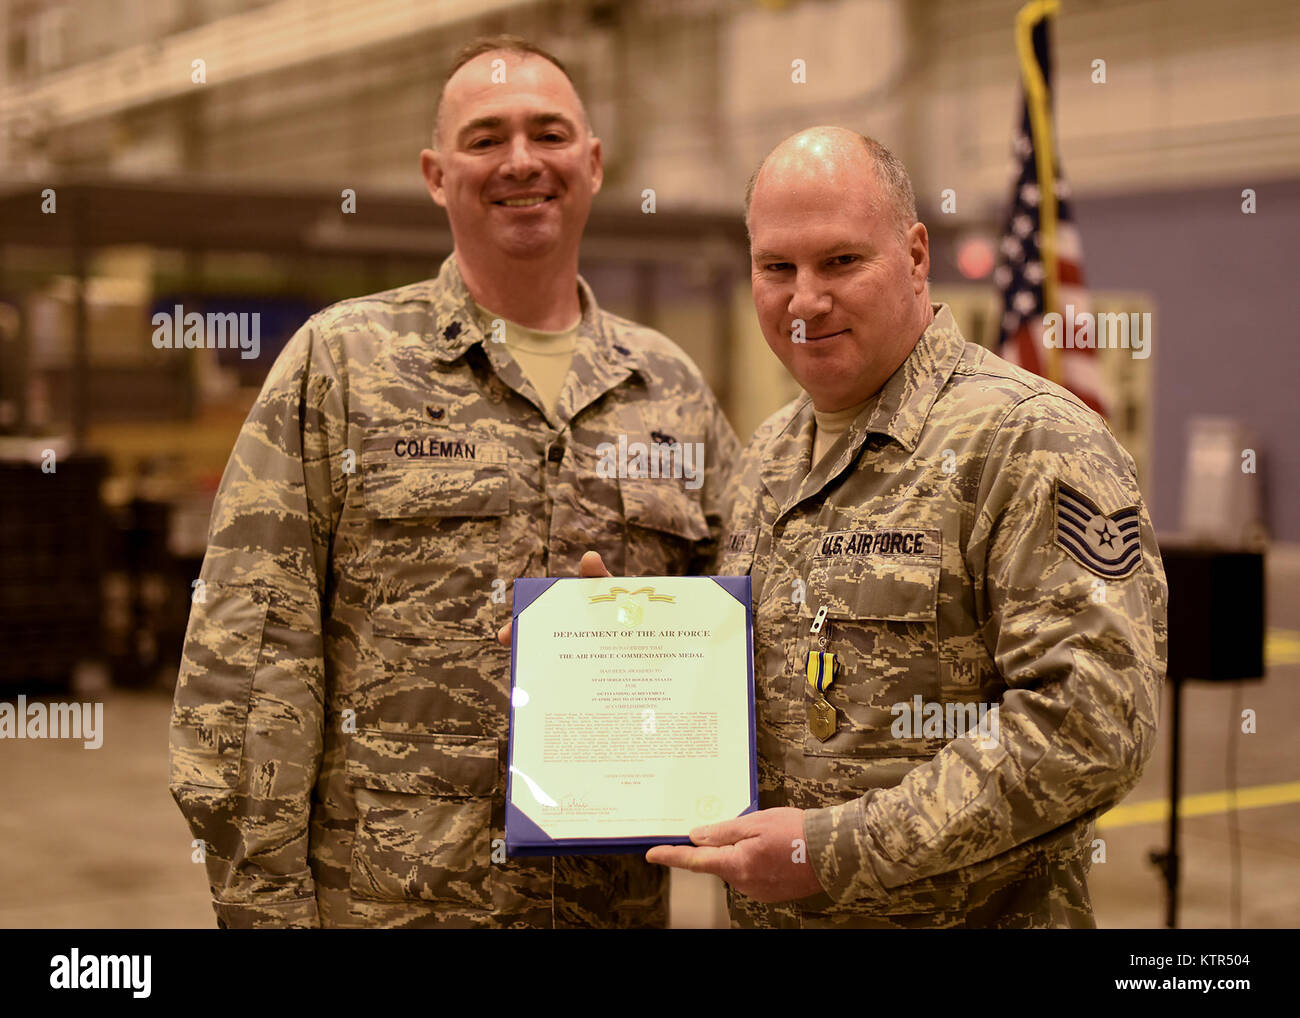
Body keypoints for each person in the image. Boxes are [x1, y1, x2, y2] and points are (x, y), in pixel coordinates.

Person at [168, 35, 737, 929]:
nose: (521, 162)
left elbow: (740, 649)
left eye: (548, 135)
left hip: (610, 910)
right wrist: (264, 908)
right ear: (437, 174)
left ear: (591, 164)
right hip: (393, 908)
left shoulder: (669, 390)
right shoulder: (343, 365)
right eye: (486, 138)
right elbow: (246, 661)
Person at [643, 126, 1168, 927]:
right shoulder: (766, 460)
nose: (804, 299)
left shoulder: (1027, 440)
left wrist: (834, 851)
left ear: (917, 255)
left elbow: (1092, 726)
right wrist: (600, 640)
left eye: (841, 261)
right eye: (776, 267)